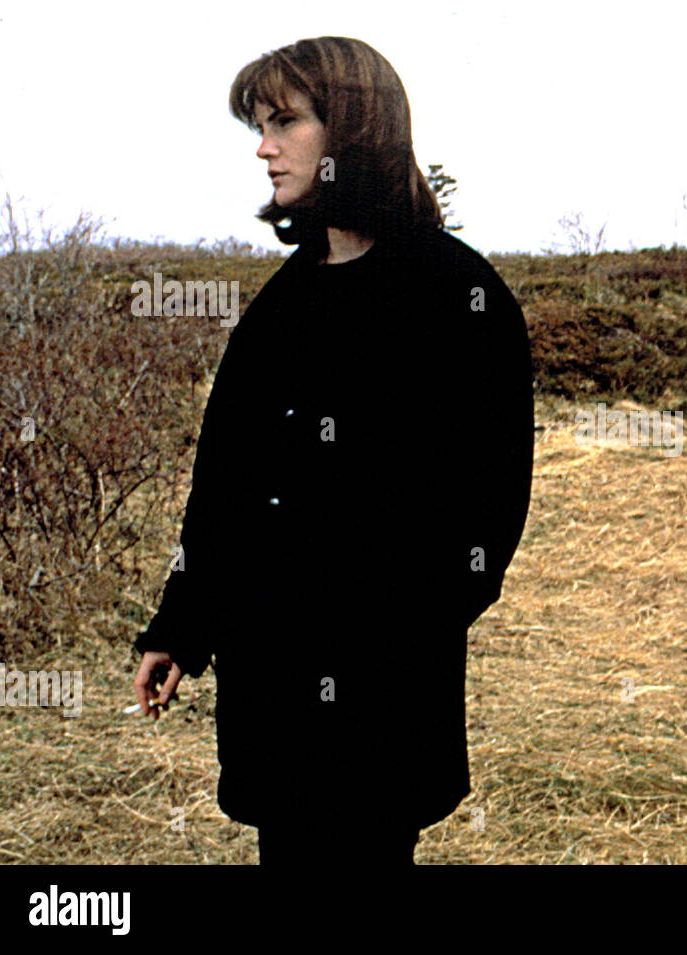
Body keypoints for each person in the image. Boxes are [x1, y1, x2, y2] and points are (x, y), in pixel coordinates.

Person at [129, 36, 534, 869]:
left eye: (284, 121)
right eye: (259, 124)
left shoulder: (453, 293)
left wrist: (403, 627)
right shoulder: (282, 304)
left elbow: (489, 502)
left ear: (350, 129)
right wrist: (184, 621)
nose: (263, 146)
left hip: (383, 689)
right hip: (269, 678)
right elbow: (227, 487)